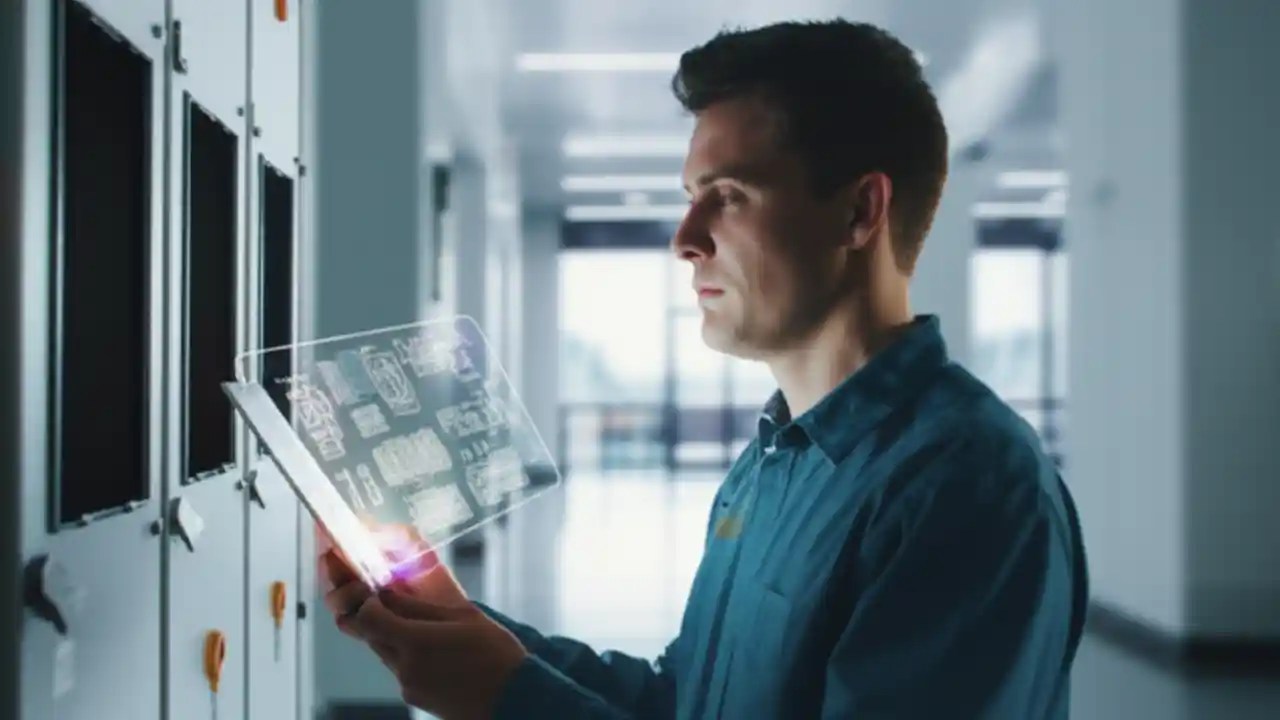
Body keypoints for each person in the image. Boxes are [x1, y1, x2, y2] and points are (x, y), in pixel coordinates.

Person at [322, 18, 1089, 720]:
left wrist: (511, 699)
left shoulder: (968, 487)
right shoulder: (774, 461)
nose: (685, 238)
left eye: (728, 196)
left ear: (859, 212)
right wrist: (463, 628)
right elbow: (683, 702)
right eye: (693, 197)